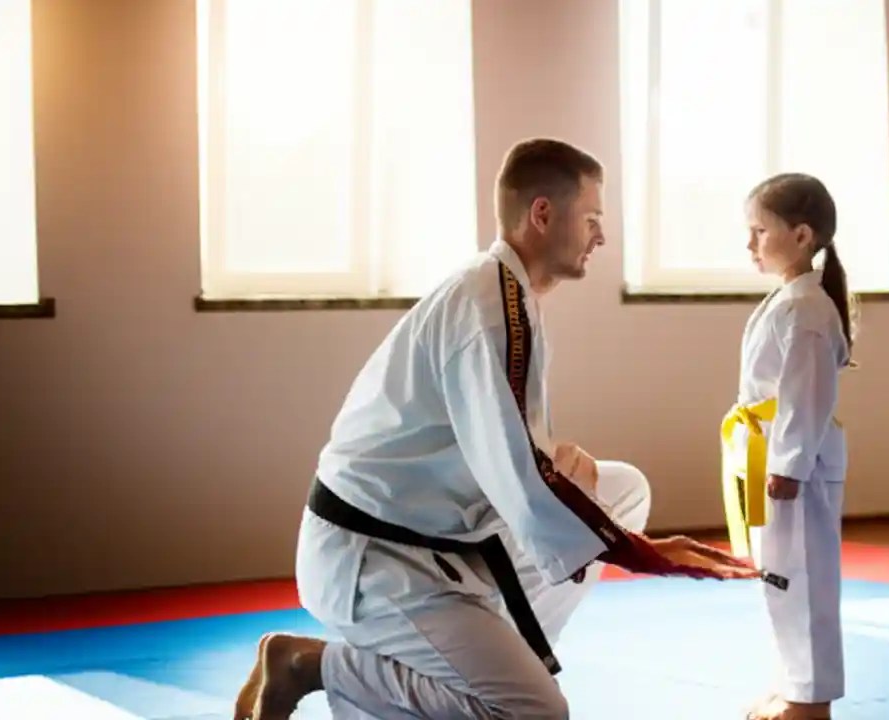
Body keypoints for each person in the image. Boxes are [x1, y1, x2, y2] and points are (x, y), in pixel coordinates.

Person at [233, 138, 758, 720]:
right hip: (373, 559)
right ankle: (314, 666)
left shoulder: (510, 294)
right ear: (542, 214)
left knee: (620, 488)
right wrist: (643, 553)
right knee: (536, 713)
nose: (601, 237)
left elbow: (503, 450)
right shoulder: (489, 304)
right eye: (592, 220)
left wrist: (568, 474)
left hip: (434, 537)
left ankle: (485, 653)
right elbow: (519, 475)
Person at [719, 173, 857, 720]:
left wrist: (790, 467)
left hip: (793, 465)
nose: (750, 244)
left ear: (802, 236)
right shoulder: (791, 300)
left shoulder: (808, 311)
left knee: (804, 582)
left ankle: (811, 700)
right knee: (777, 577)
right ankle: (790, 685)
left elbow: (806, 397)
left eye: (759, 231)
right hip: (766, 454)